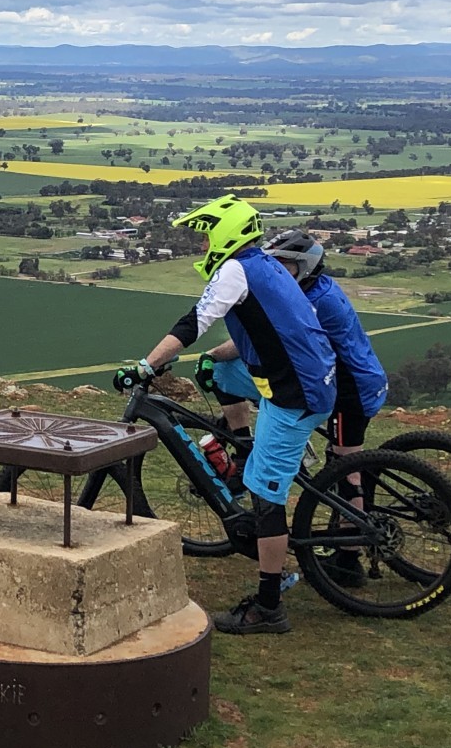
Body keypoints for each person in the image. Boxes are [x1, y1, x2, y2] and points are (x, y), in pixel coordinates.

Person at [136, 195, 336, 635]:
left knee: (267, 500)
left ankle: (269, 607)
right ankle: (250, 456)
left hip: (294, 392)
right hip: (304, 381)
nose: (204, 245)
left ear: (226, 233)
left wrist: (146, 366)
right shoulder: (261, 264)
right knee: (229, 384)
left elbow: (194, 321)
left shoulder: (236, 269)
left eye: (208, 236)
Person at [197, 229, 388, 588]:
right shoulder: (313, 289)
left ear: (305, 266)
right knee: (227, 375)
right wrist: (216, 357)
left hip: (349, 391)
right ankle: (245, 451)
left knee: (346, 473)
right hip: (334, 383)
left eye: (285, 266)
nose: (278, 272)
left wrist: (213, 353)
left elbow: (272, 336)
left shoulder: (315, 301)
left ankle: (350, 561)